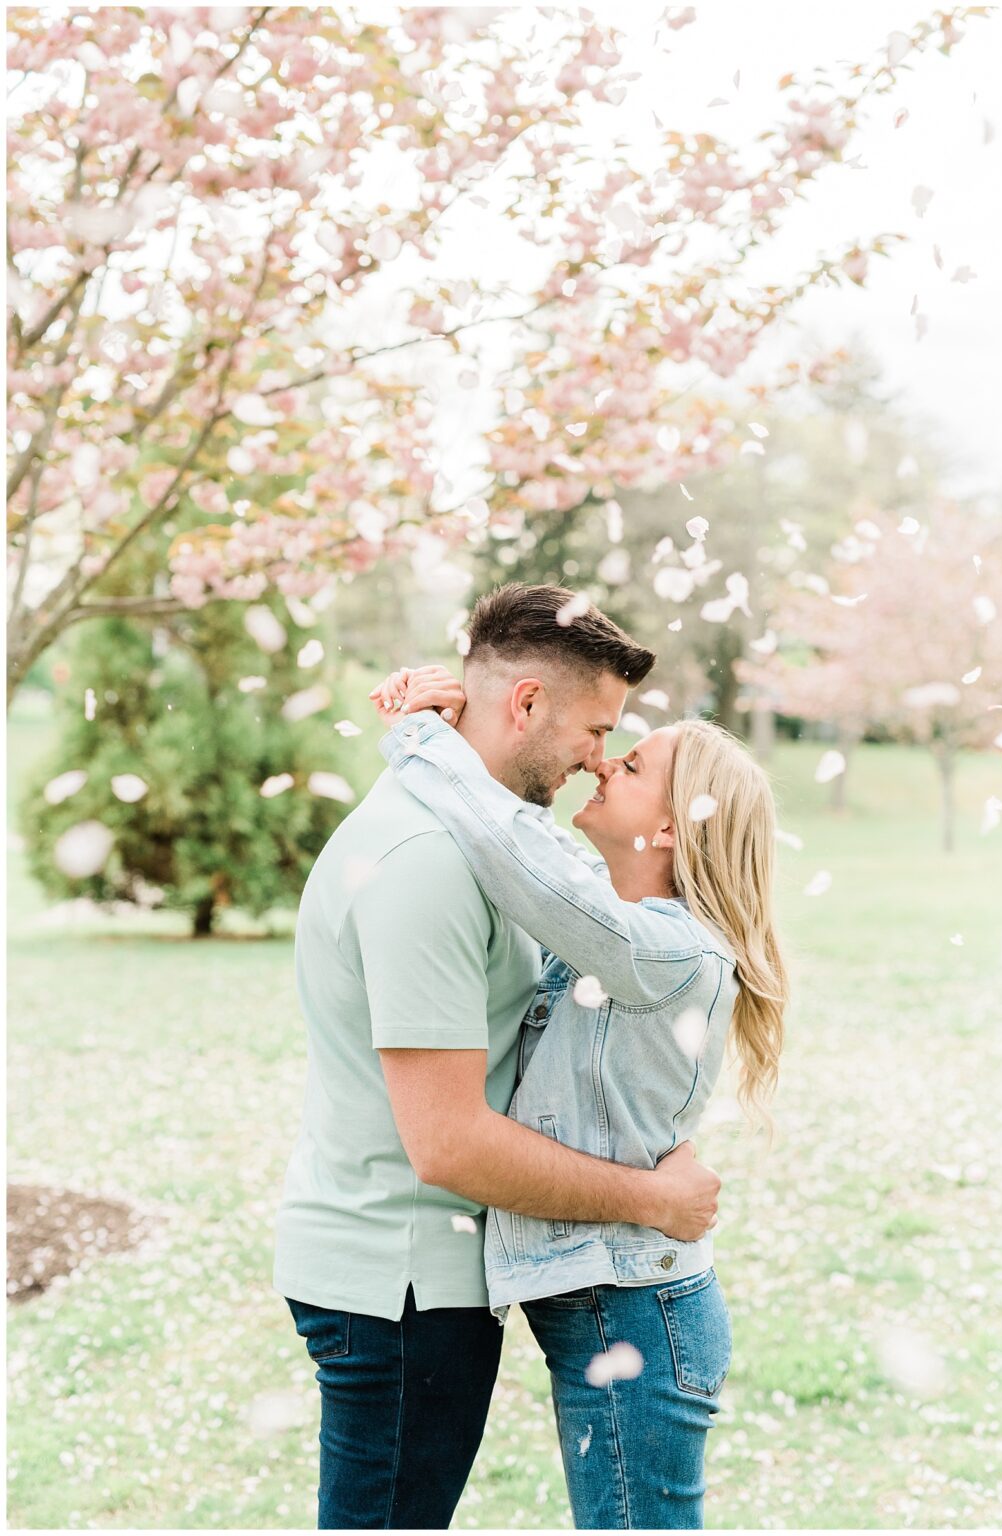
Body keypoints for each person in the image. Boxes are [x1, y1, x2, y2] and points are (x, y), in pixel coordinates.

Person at [273, 583, 723, 1531]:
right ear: (525, 704)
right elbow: (449, 1144)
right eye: (596, 730)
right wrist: (653, 1199)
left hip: (425, 1275)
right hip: (401, 1283)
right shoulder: (430, 861)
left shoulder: (461, 834)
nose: (596, 760)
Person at [369, 653, 788, 1531]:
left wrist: (414, 739)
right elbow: (532, 849)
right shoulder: (621, 920)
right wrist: (460, 721)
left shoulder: (671, 951)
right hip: (619, 1310)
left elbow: (515, 857)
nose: (603, 760)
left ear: (677, 827)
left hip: (638, 1317)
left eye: (631, 765)